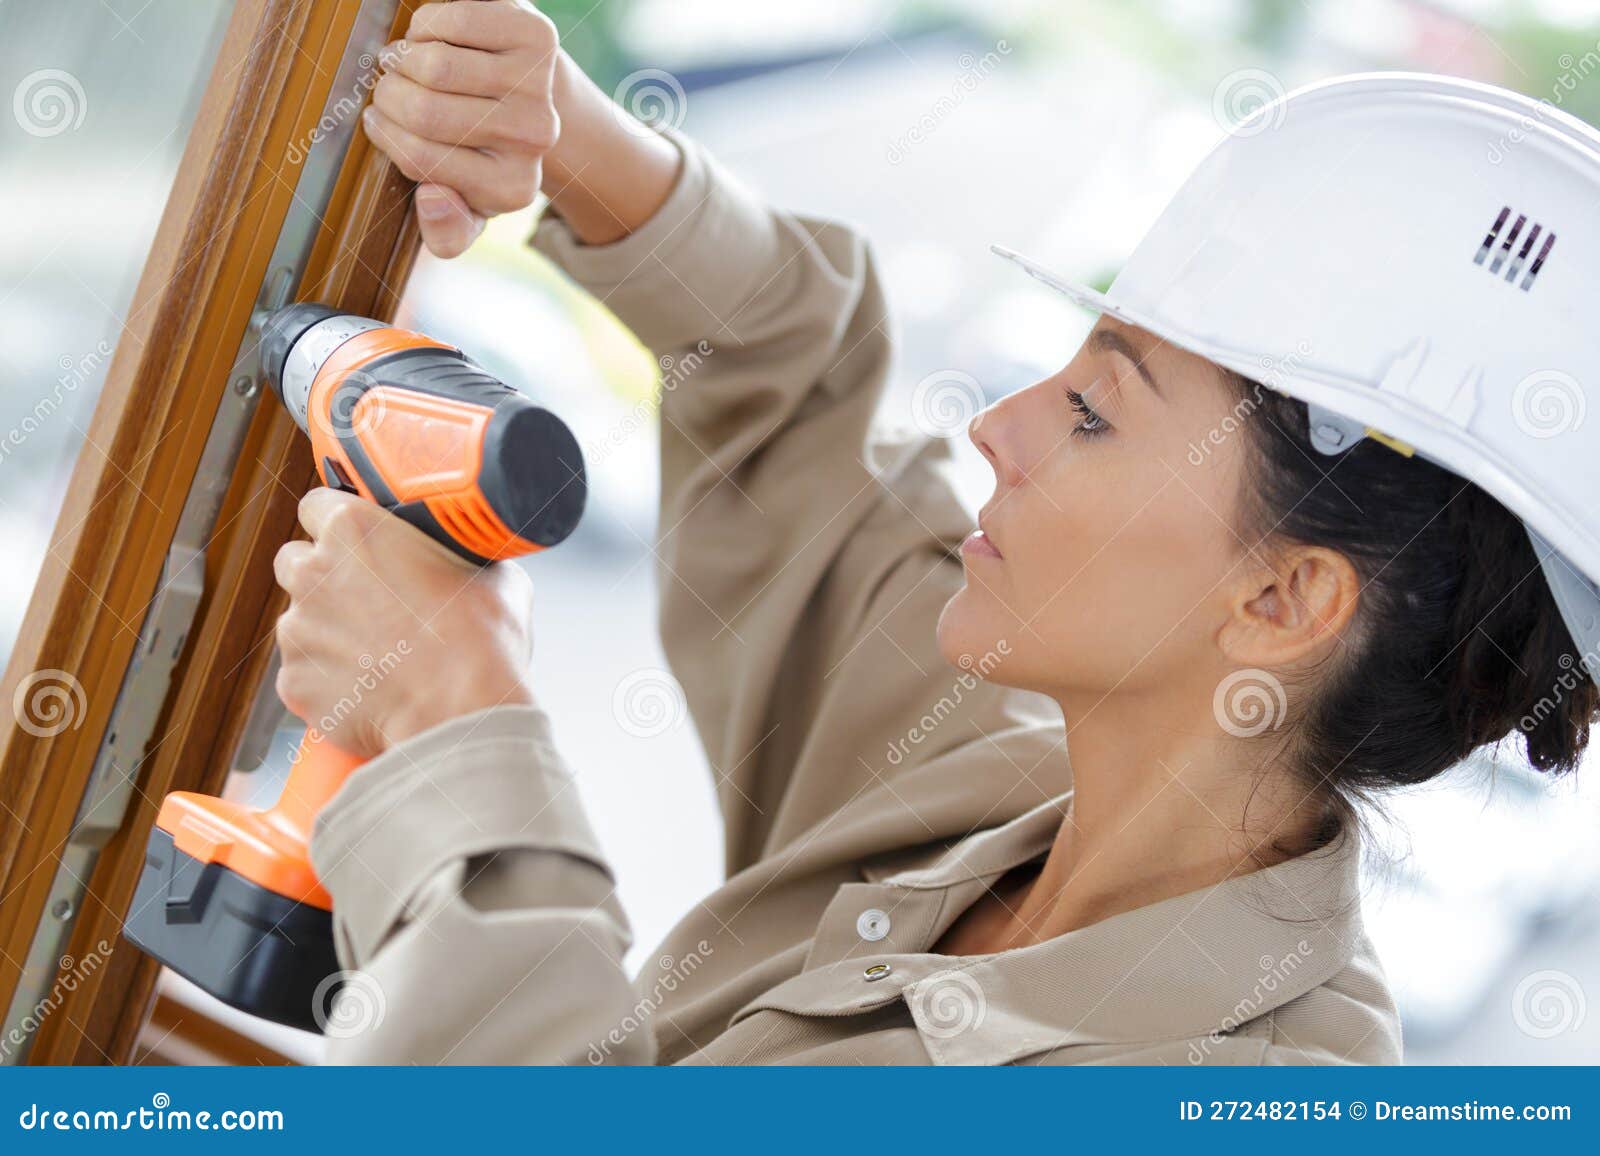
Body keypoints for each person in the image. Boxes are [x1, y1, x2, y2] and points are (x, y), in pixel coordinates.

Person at [270, 1, 1600, 1064]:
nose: (997, 427)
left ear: (1285, 601)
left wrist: (457, 719)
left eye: (1091, 413)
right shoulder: (976, 789)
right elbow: (783, 386)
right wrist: (568, 136)